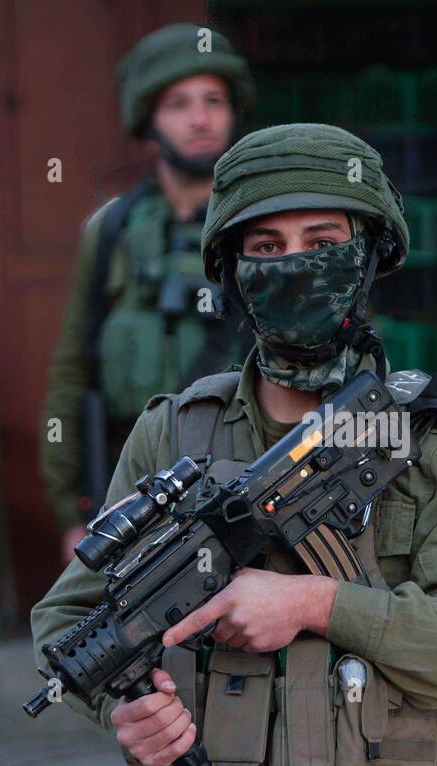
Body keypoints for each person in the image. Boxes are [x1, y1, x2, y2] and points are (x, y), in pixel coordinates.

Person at [31, 123, 437, 766]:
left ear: (366, 254)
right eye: (265, 248)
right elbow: (68, 618)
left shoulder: (432, 439)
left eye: (321, 239)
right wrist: (122, 711)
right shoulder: (173, 434)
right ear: (233, 271)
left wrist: (312, 603)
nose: (295, 265)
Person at [41, 23, 257, 564]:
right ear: (149, 122)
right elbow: (74, 369)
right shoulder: (112, 230)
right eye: (178, 103)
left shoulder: (263, 226)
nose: (200, 118)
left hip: (240, 490)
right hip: (127, 494)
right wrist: (72, 513)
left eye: (213, 100)